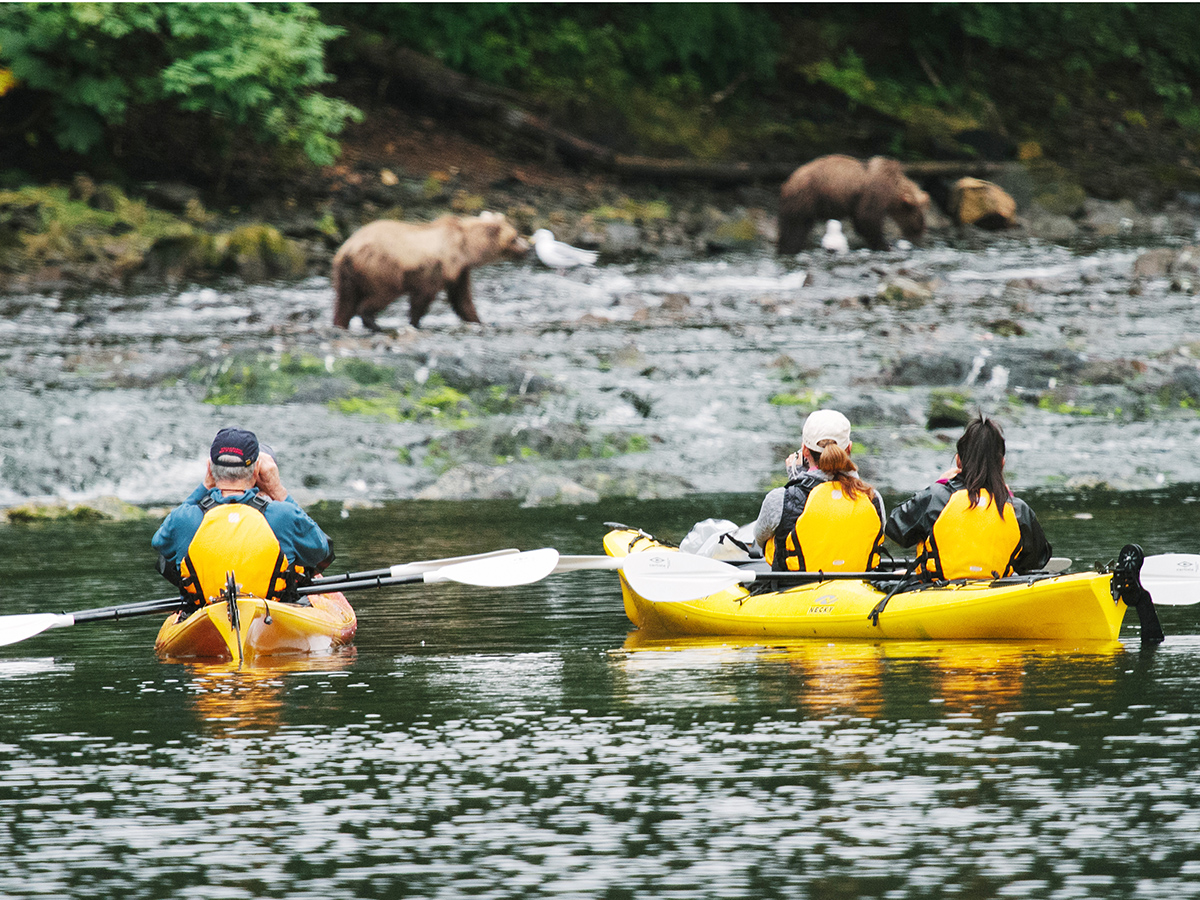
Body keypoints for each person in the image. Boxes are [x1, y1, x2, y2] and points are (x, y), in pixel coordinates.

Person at [152, 427, 335, 609]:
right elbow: (322, 551)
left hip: (207, 611)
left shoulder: (184, 518)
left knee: (169, 556)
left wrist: (204, 487)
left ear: (210, 469)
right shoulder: (283, 515)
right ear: (256, 471)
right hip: (273, 613)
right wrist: (277, 490)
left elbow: (160, 544)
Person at [886, 415, 1051, 581]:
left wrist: (939, 483)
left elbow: (895, 530)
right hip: (995, 590)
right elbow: (1037, 559)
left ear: (958, 461)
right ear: (1002, 463)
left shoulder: (936, 497)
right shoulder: (1017, 509)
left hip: (936, 588)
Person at [753, 409, 886, 572]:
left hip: (796, 586)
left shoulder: (780, 498)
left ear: (805, 450)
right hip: (859, 586)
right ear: (849, 449)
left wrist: (797, 480)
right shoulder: (872, 498)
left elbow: (760, 539)